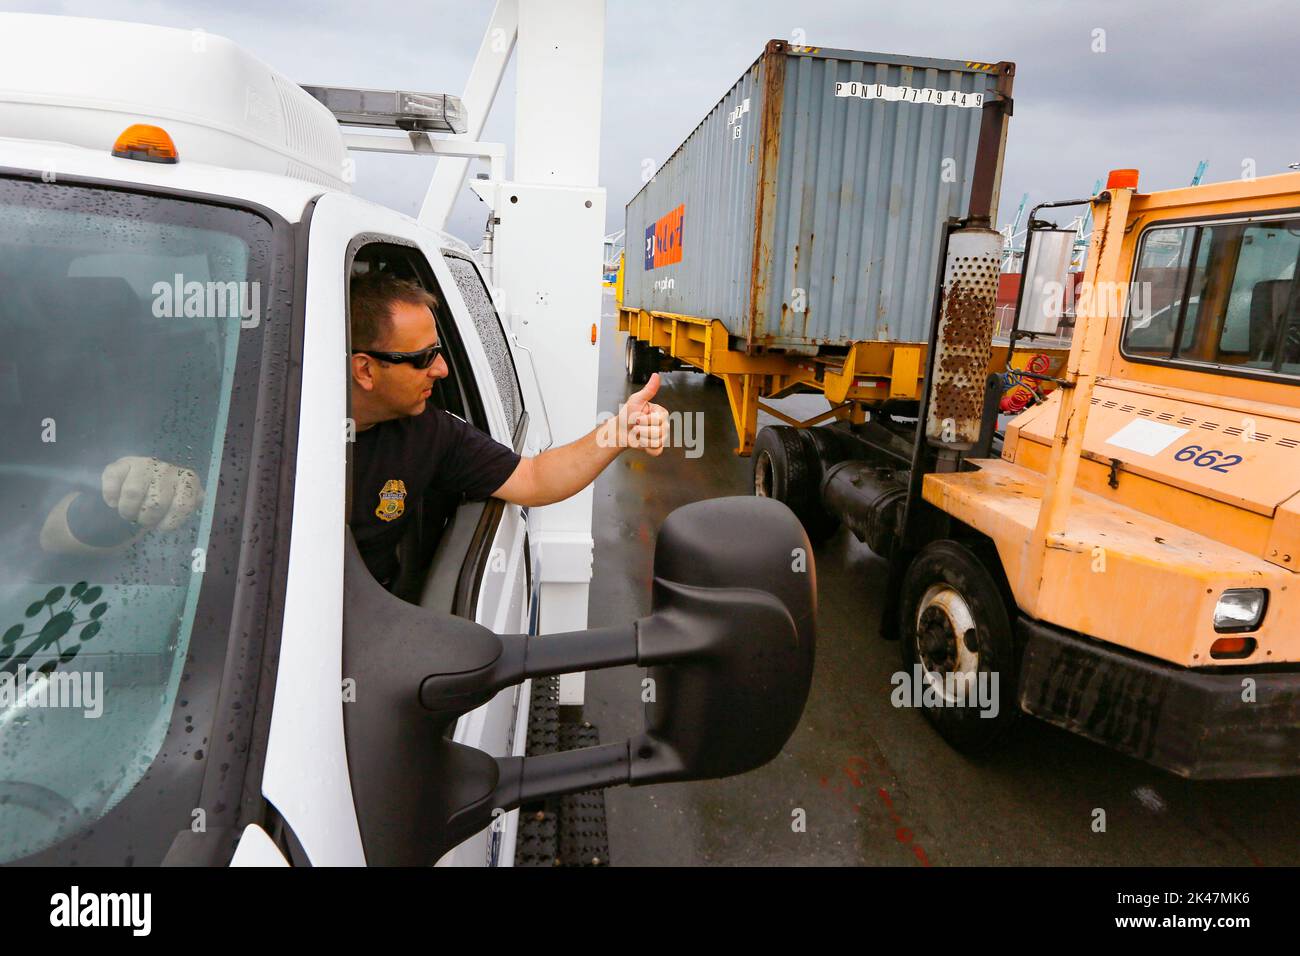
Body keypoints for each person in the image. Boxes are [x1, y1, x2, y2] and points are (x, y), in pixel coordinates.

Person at [348, 271, 667, 588]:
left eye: (440, 350)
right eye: (424, 358)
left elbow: (533, 478)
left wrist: (618, 432)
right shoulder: (301, 440)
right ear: (365, 370)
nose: (442, 369)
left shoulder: (428, 432)